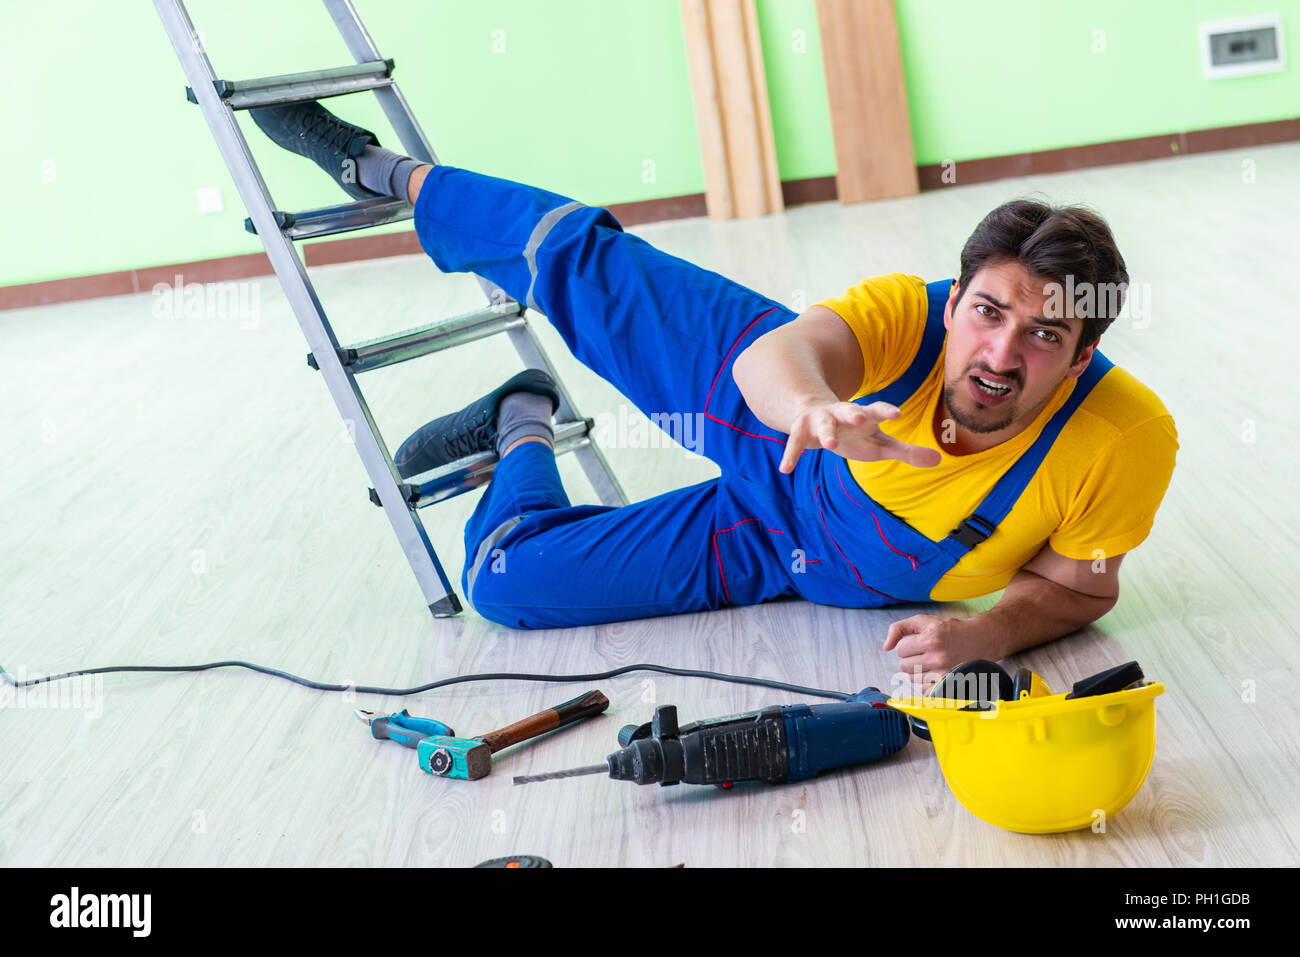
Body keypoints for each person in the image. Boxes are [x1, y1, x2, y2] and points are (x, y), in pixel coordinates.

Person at [249, 102, 1178, 685]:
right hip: (774, 421)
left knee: (503, 584)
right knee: (585, 264)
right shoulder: (909, 315)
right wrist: (813, 407)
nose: (999, 351)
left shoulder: (1123, 437)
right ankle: (384, 172)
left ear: (1085, 348)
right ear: (958, 295)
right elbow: (776, 359)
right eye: (986, 311)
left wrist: (988, 635)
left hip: (789, 553)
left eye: (1044, 333)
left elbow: (1077, 589)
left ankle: (517, 419)